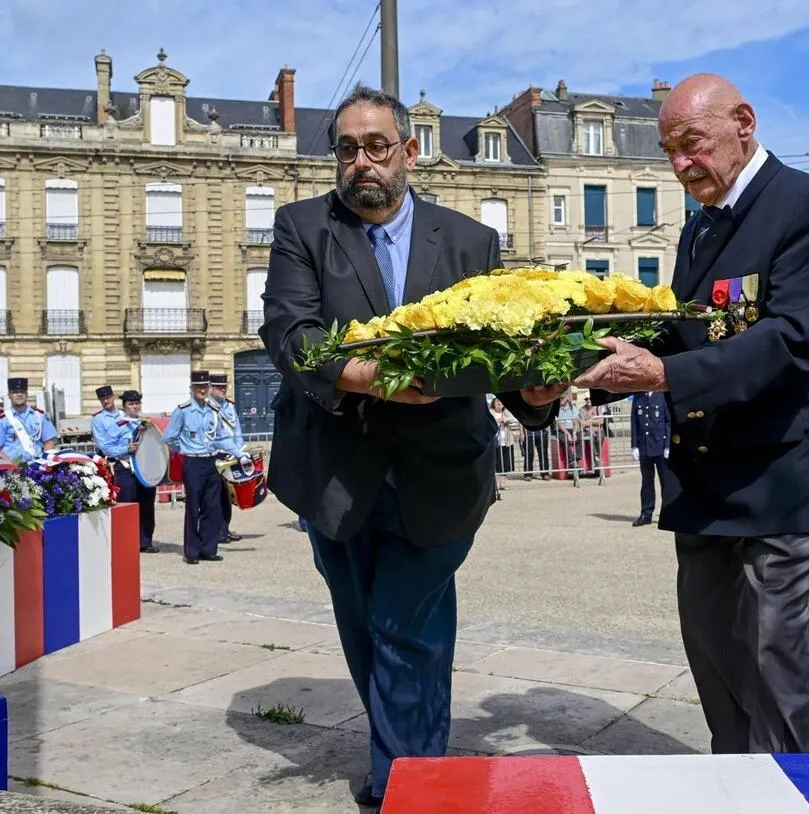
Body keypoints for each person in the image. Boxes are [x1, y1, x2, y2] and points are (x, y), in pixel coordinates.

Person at [258, 84, 561, 809]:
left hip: (443, 470)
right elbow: (290, 333)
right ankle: (408, 759)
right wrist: (375, 379)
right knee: (365, 624)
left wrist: (537, 394)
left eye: (377, 146)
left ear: (410, 153)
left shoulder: (470, 241)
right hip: (335, 471)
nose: (361, 162)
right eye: (347, 149)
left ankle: (406, 787)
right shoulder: (303, 228)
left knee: (404, 622)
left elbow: (500, 347)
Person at [575, 72, 809, 754]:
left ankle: (778, 787)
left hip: (781, 477)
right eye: (670, 150)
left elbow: (793, 339)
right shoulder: (698, 231)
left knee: (772, 660)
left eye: (692, 143)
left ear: (744, 123)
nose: (680, 164)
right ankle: (732, 774)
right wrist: (578, 372)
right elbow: (681, 335)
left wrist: (665, 374)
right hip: (704, 477)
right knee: (712, 653)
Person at [161, 370, 226, 564]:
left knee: (212, 507)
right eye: (198, 387)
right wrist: (184, 449)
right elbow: (169, 437)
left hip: (211, 461)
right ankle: (192, 552)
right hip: (193, 462)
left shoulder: (214, 410)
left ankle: (209, 548)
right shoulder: (183, 411)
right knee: (193, 507)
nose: (202, 390)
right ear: (191, 389)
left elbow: (220, 435)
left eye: (205, 387)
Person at [90, 386, 158, 553]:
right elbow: (106, 446)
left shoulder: (141, 421)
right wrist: (125, 449)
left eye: (136, 403)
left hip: (142, 465)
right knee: (126, 503)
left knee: (147, 503)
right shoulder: (116, 423)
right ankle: (127, 542)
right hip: (124, 464)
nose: (134, 407)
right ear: (125, 405)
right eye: (131, 404)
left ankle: (145, 541)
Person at [209, 372, 246, 542]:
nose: (223, 390)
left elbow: (236, 430)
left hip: (231, 455)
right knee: (214, 496)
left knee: (228, 495)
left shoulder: (229, 406)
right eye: (219, 388)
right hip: (215, 456)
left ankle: (224, 528)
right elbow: (217, 437)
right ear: (211, 388)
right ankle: (215, 531)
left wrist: (240, 450)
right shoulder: (207, 408)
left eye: (224, 387)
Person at [630, 391, 671, 527]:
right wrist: (634, 445)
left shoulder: (662, 395)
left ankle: (668, 513)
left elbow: (668, 421)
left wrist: (668, 445)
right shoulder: (638, 396)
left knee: (666, 482)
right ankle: (646, 513)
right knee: (647, 482)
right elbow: (634, 421)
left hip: (660, 445)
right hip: (645, 446)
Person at [0, 377, 58, 462]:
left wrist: (45, 463)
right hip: (12, 467)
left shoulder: (39, 416)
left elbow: (49, 441)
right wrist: (9, 465)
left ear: (27, 394)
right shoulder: (3, 420)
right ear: (9, 395)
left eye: (22, 391)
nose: (19, 394)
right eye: (15, 392)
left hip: (37, 466)